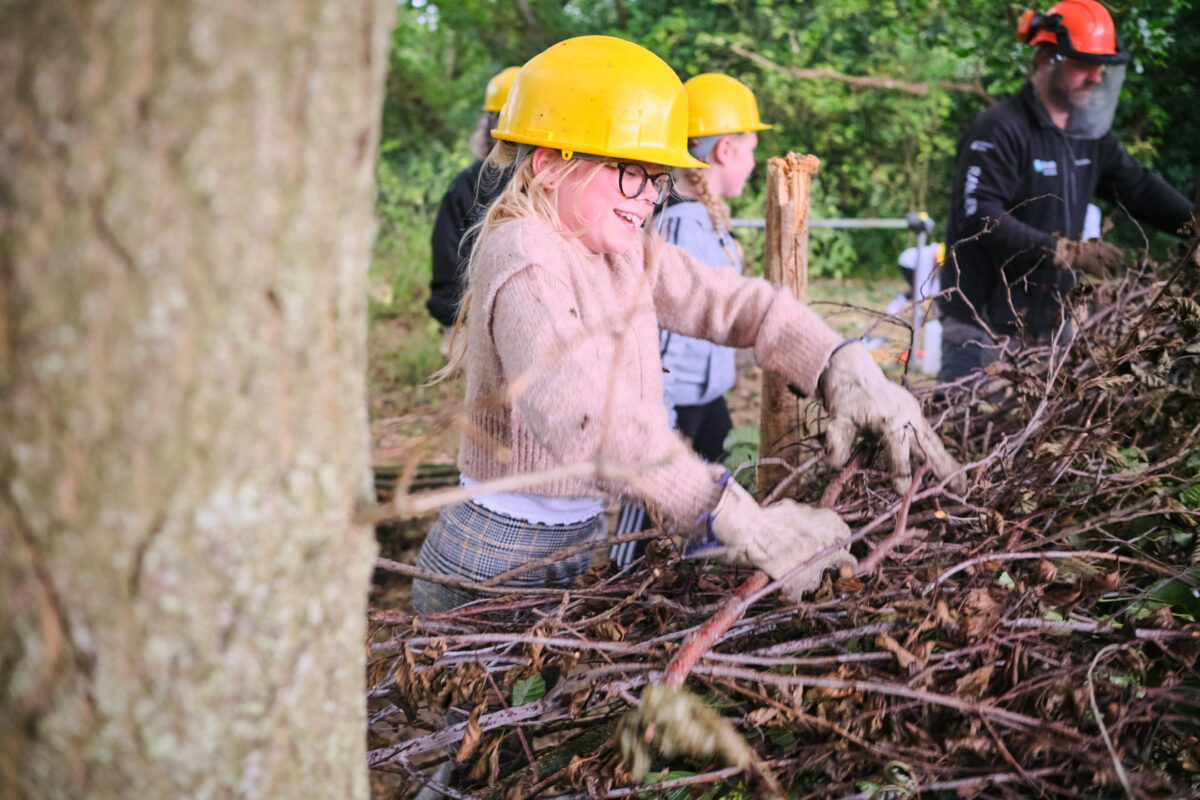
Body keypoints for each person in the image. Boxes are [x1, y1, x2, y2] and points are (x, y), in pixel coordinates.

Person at [412, 35, 965, 616]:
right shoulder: (526, 251)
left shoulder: (622, 250)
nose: (647, 198)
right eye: (630, 173)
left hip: (572, 537)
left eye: (657, 180)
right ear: (550, 163)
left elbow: (734, 302)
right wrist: (728, 512)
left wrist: (840, 365)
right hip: (498, 557)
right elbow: (582, 418)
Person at [937, 0, 1193, 383]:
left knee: (1048, 437)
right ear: (1045, 59)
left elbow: (1138, 188)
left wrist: (1192, 223)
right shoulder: (1000, 129)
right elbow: (980, 216)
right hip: (984, 325)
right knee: (971, 437)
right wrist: (1062, 252)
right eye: (1082, 64)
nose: (1094, 77)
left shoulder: (1088, 136)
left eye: (1100, 67)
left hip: (1051, 325)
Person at [610, 73, 771, 568]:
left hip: (706, 396)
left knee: (714, 494)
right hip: (676, 400)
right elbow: (660, 328)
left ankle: (692, 572)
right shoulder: (681, 223)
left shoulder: (706, 217)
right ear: (725, 150)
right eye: (751, 148)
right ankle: (620, 581)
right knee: (648, 499)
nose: (754, 163)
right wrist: (663, 414)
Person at [426, 66, 520, 356]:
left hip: (482, 324)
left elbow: (447, 257)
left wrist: (452, 321)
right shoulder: (561, 186)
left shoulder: (467, 184)